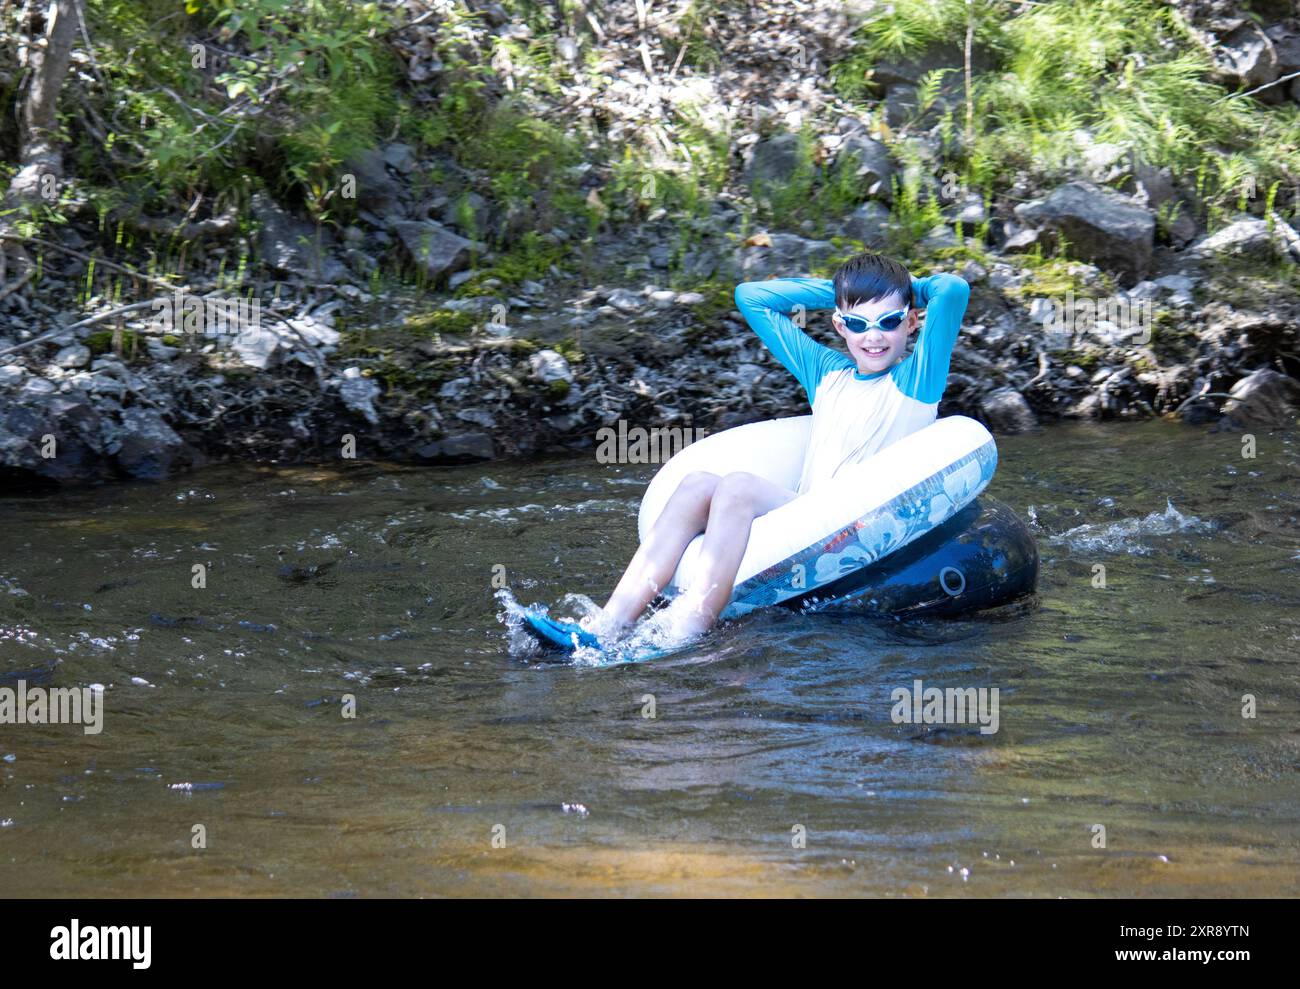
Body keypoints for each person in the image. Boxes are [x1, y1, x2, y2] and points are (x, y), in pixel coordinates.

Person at [523, 251, 971, 654]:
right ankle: (608, 624)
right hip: (805, 517)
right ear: (839, 325)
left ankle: (691, 624)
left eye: (889, 322)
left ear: (912, 321)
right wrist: (840, 292)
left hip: (862, 521)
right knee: (698, 483)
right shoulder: (826, 372)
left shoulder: (916, 379)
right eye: (857, 324)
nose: (873, 337)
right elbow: (751, 296)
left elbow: (952, 289)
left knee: (737, 487)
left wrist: (899, 290)